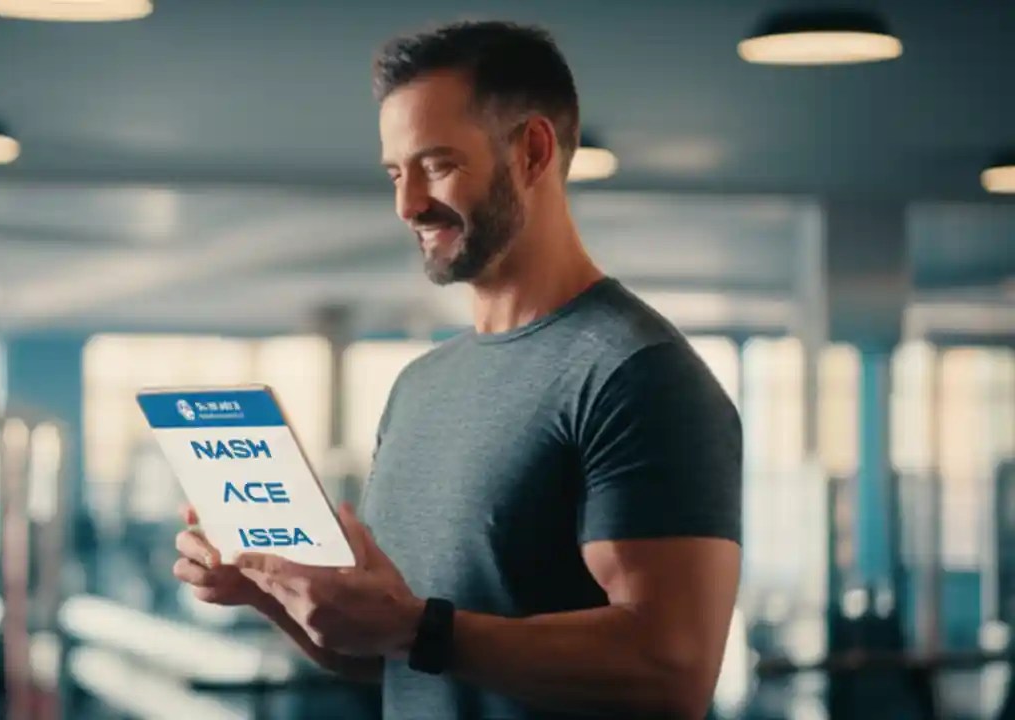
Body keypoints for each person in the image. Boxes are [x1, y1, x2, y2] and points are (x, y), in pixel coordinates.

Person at [173, 19, 742, 720]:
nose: (407, 203)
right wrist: (268, 591)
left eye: (437, 164)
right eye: (394, 173)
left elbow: (671, 671)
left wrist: (420, 628)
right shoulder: (420, 388)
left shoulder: (636, 374)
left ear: (532, 150)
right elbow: (377, 650)